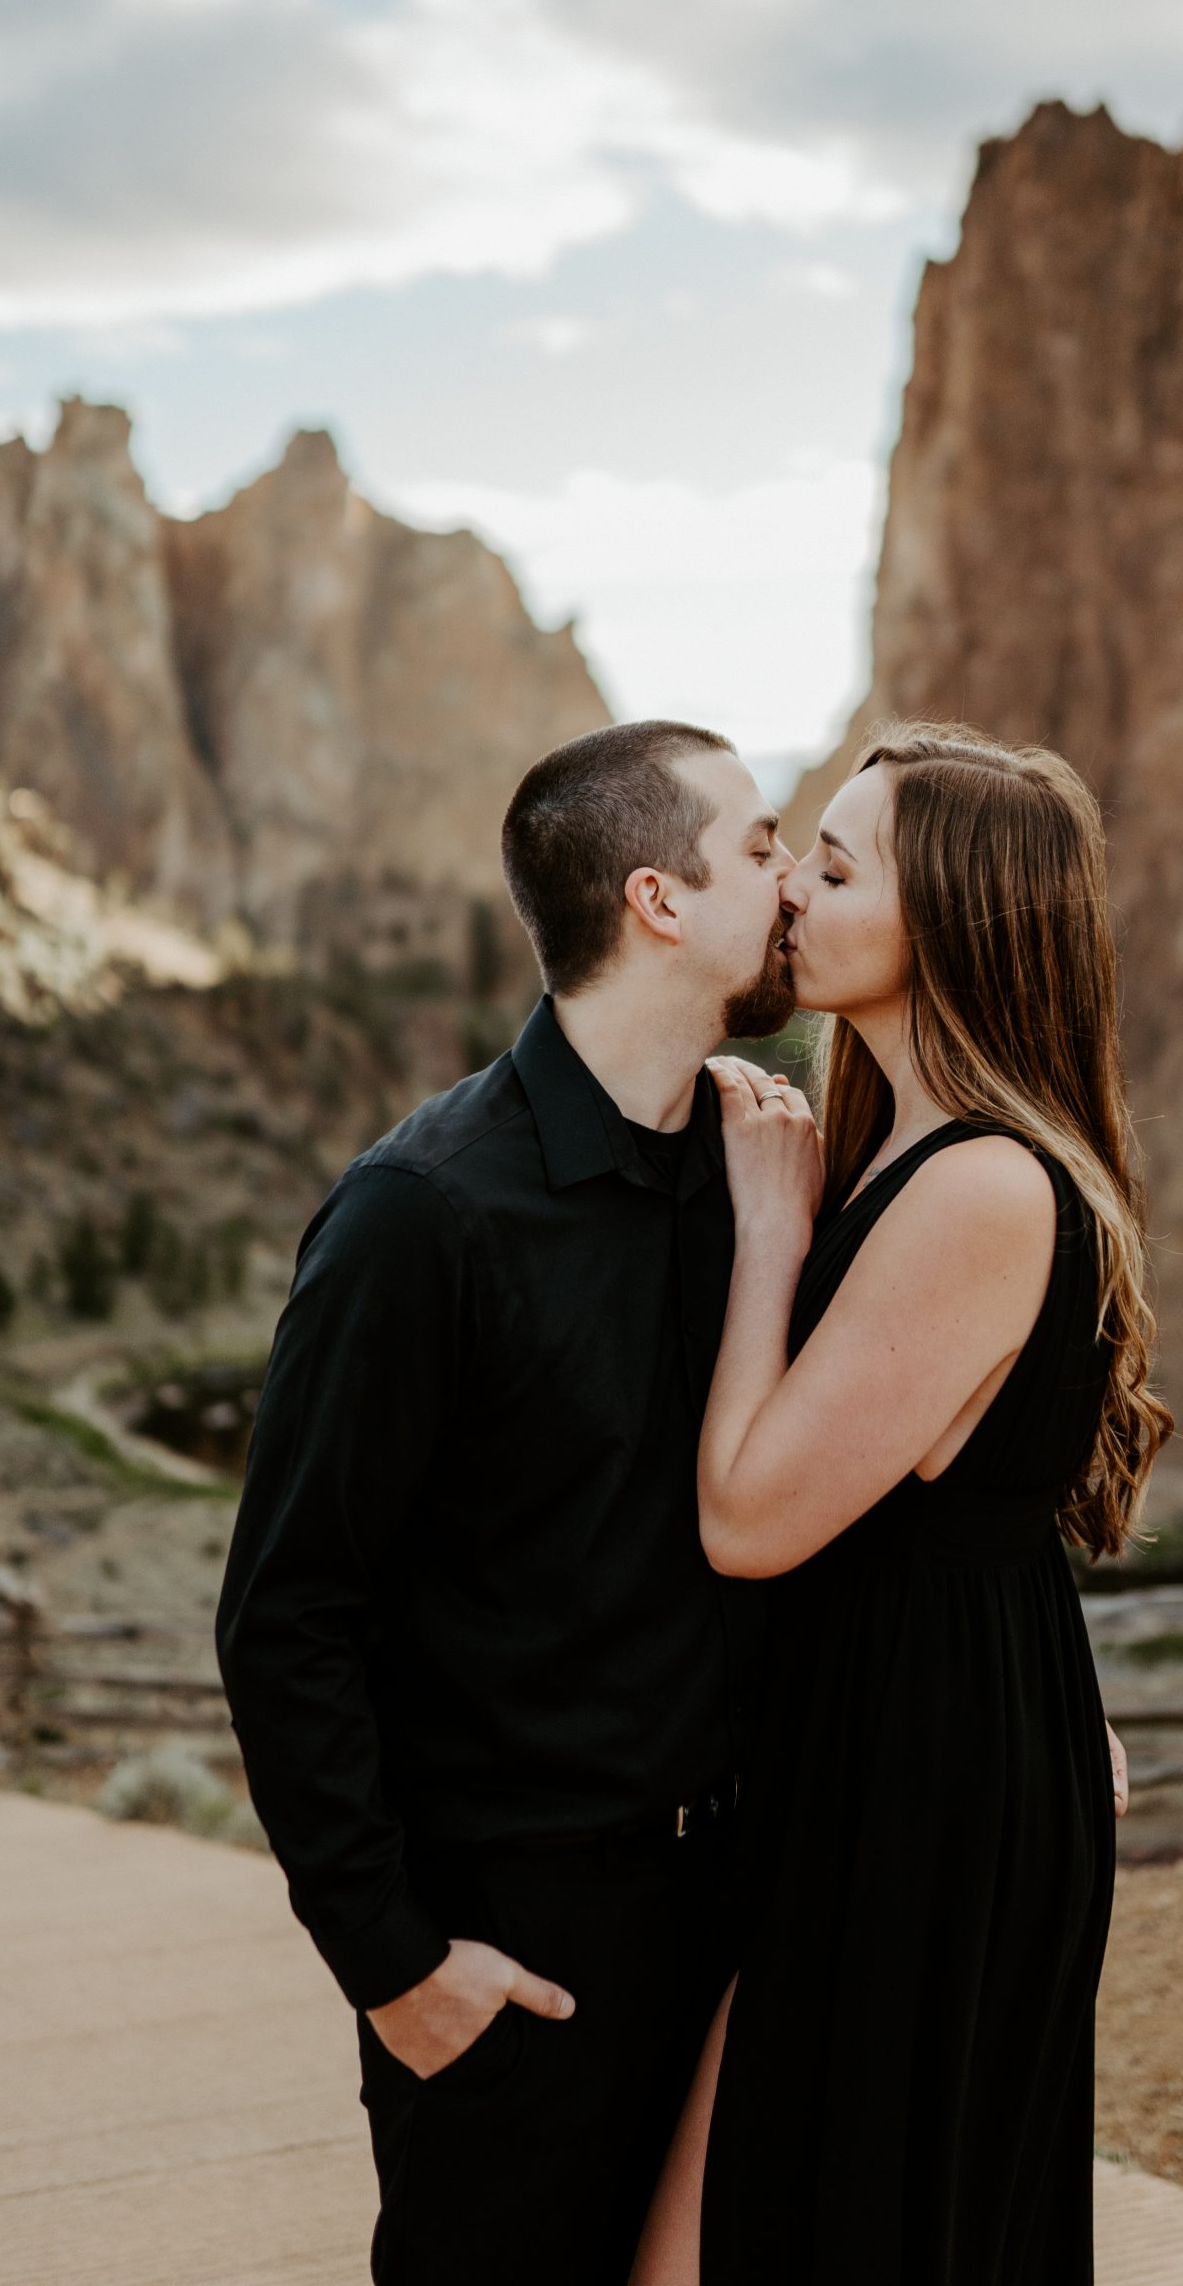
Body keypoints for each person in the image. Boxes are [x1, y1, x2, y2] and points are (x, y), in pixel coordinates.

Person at [215, 718, 797, 2286]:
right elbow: (286, 1615)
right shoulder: (423, 1214)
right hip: (518, 1949)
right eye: (758, 844)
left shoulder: (760, 1180)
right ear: (659, 900)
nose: (792, 873)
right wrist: (394, 1965)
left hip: (742, 1924)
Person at [630, 722, 1165, 2286]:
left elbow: (749, 1518)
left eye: (839, 866)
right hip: (895, 1744)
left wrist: (769, 1236)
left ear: (955, 925)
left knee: (758, 2240)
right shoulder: (905, 1149)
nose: (791, 883)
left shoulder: (984, 1188)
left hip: (923, 1784)